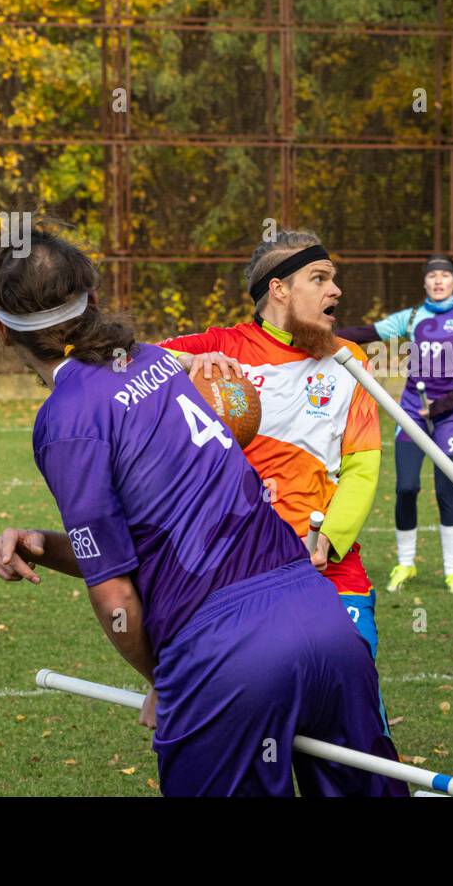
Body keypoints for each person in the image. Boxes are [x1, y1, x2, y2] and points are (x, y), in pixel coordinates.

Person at [0, 226, 405, 797]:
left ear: (4, 332)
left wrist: (169, 680)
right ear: (94, 301)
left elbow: (116, 594)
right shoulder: (159, 363)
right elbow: (151, 544)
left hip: (227, 662)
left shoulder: (69, 420)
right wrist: (45, 544)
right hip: (324, 625)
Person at [158, 230, 386, 659]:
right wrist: (189, 362)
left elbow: (362, 465)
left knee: (353, 690)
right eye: (319, 278)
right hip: (235, 565)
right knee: (253, 704)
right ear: (279, 289)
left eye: (333, 278)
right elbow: (120, 362)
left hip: (326, 564)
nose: (335, 289)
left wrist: (328, 541)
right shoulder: (220, 348)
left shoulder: (349, 359)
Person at [337, 254, 453, 594]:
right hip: (410, 415)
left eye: (444, 276)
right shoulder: (413, 317)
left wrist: (438, 408)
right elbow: (369, 332)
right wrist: (321, 335)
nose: (438, 281)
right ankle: (406, 563)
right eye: (432, 276)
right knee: (406, 488)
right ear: (424, 283)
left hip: (450, 416)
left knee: (446, 492)